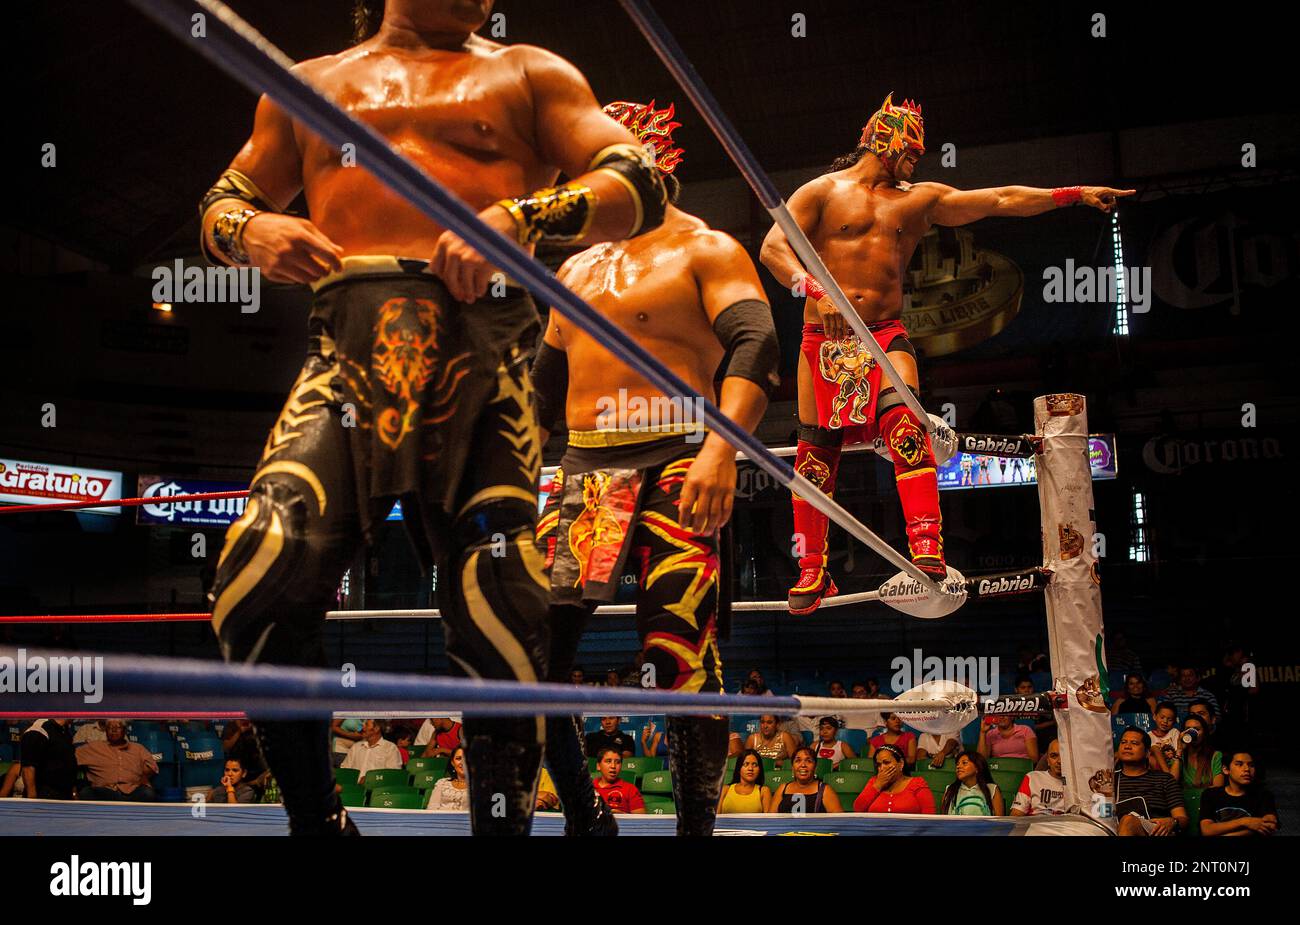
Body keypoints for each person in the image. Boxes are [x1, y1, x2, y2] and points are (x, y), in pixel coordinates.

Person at [203, 0, 673, 836]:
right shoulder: (307, 86)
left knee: (503, 614)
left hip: (484, 357)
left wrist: (519, 218)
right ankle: (318, 822)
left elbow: (635, 179)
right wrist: (254, 230)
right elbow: (223, 200)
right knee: (256, 581)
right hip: (345, 356)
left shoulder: (529, 71)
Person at [760, 92, 1132, 612]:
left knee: (907, 426)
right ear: (884, 138)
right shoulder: (820, 192)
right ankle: (812, 570)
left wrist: (1071, 193)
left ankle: (926, 549)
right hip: (822, 339)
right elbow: (773, 248)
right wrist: (814, 291)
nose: (918, 156)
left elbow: (1000, 199)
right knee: (814, 454)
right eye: (912, 145)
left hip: (885, 333)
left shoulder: (920, 199)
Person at [533, 98, 777, 838]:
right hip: (584, 472)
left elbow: (756, 343)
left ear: (653, 168)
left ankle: (695, 830)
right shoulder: (573, 267)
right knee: (529, 653)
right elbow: (541, 388)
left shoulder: (705, 248)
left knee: (676, 651)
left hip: (679, 457)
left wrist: (721, 447)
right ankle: (584, 812)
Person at [1114, 730, 1188, 836]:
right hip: (1116, 830)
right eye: (1123, 742)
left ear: (1147, 753)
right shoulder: (1109, 782)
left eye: (1134, 743)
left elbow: (1183, 818)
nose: (1127, 746)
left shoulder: (1164, 779)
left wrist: (1172, 821)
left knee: (1128, 821)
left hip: (1156, 831)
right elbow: (1101, 815)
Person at [1199, 750, 1280, 836]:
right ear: (1226, 769)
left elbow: (1270, 826)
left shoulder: (1264, 796)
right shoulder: (1210, 795)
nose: (1247, 769)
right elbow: (1207, 830)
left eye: (1251, 765)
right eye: (1239, 764)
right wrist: (1245, 822)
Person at [75, 719, 160, 801]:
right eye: (110, 727)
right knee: (86, 792)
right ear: (106, 730)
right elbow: (71, 757)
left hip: (132, 791)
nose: (113, 730)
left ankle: (122, 802)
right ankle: (122, 803)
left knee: (148, 793)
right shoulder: (93, 747)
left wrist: (143, 776)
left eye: (118, 727)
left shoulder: (138, 748)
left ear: (124, 730)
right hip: (105, 791)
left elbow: (152, 768)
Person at [852, 743, 934, 814]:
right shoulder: (874, 782)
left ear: (901, 763)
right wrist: (878, 785)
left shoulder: (917, 783)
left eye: (886, 762)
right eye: (879, 765)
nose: (882, 768)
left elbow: (930, 816)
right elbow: (858, 809)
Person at [769, 746, 844, 814]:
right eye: (798, 761)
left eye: (809, 761)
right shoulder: (782, 789)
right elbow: (770, 818)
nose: (803, 765)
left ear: (815, 767)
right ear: (792, 767)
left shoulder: (825, 790)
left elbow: (838, 821)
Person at [18, 718, 76, 800]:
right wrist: (32, 797)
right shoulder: (39, 730)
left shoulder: (65, 731)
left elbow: (70, 763)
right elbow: (28, 767)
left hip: (64, 794)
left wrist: (73, 792)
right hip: (45, 794)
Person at [1011, 739, 1066, 816]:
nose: (1059, 761)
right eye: (1054, 756)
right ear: (1047, 760)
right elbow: (1016, 813)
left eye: (1064, 756)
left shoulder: (1078, 783)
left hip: (1067, 825)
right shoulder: (1033, 778)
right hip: (1036, 825)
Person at [340, 720, 403, 785]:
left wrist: (370, 779)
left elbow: (392, 774)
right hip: (353, 788)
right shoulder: (356, 747)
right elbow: (345, 769)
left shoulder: (390, 748)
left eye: (366, 725)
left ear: (376, 729)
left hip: (377, 790)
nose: (362, 728)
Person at [939, 751, 1003, 816]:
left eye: (964, 763)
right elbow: (943, 819)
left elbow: (999, 822)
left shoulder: (992, 789)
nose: (958, 766)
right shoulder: (950, 790)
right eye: (957, 764)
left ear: (977, 768)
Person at [1171, 715, 1223, 790]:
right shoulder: (1179, 756)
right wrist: (1179, 750)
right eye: (1188, 729)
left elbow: (1218, 788)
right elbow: (1171, 783)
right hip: (1183, 800)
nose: (1192, 732)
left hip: (1206, 799)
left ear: (1204, 732)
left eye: (1197, 729)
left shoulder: (1215, 755)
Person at [591, 748, 646, 814]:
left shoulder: (630, 789)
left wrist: (622, 816)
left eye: (618, 762)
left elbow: (641, 820)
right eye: (608, 761)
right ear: (598, 766)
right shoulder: (588, 788)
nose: (613, 766)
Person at [718, 749, 772, 814]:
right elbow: (716, 816)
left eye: (755, 765)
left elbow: (768, 821)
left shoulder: (764, 791)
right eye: (746, 764)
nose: (750, 769)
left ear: (759, 769)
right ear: (739, 768)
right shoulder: (725, 789)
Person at [221, 718, 268, 788]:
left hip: (258, 768)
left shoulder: (258, 725)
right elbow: (226, 747)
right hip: (238, 767)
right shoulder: (231, 726)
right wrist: (240, 731)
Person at [426, 746, 469, 812]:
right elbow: (431, 809)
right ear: (452, 763)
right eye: (458, 758)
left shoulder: (478, 786)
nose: (462, 762)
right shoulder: (442, 783)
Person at [1148, 702, 1180, 774]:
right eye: (1162, 717)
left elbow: (1177, 753)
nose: (1165, 721)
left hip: (1173, 764)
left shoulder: (1174, 732)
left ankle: (1168, 776)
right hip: (1156, 768)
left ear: (1174, 721)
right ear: (1154, 717)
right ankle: (1168, 775)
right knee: (1154, 749)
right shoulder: (1149, 735)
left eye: (1170, 719)